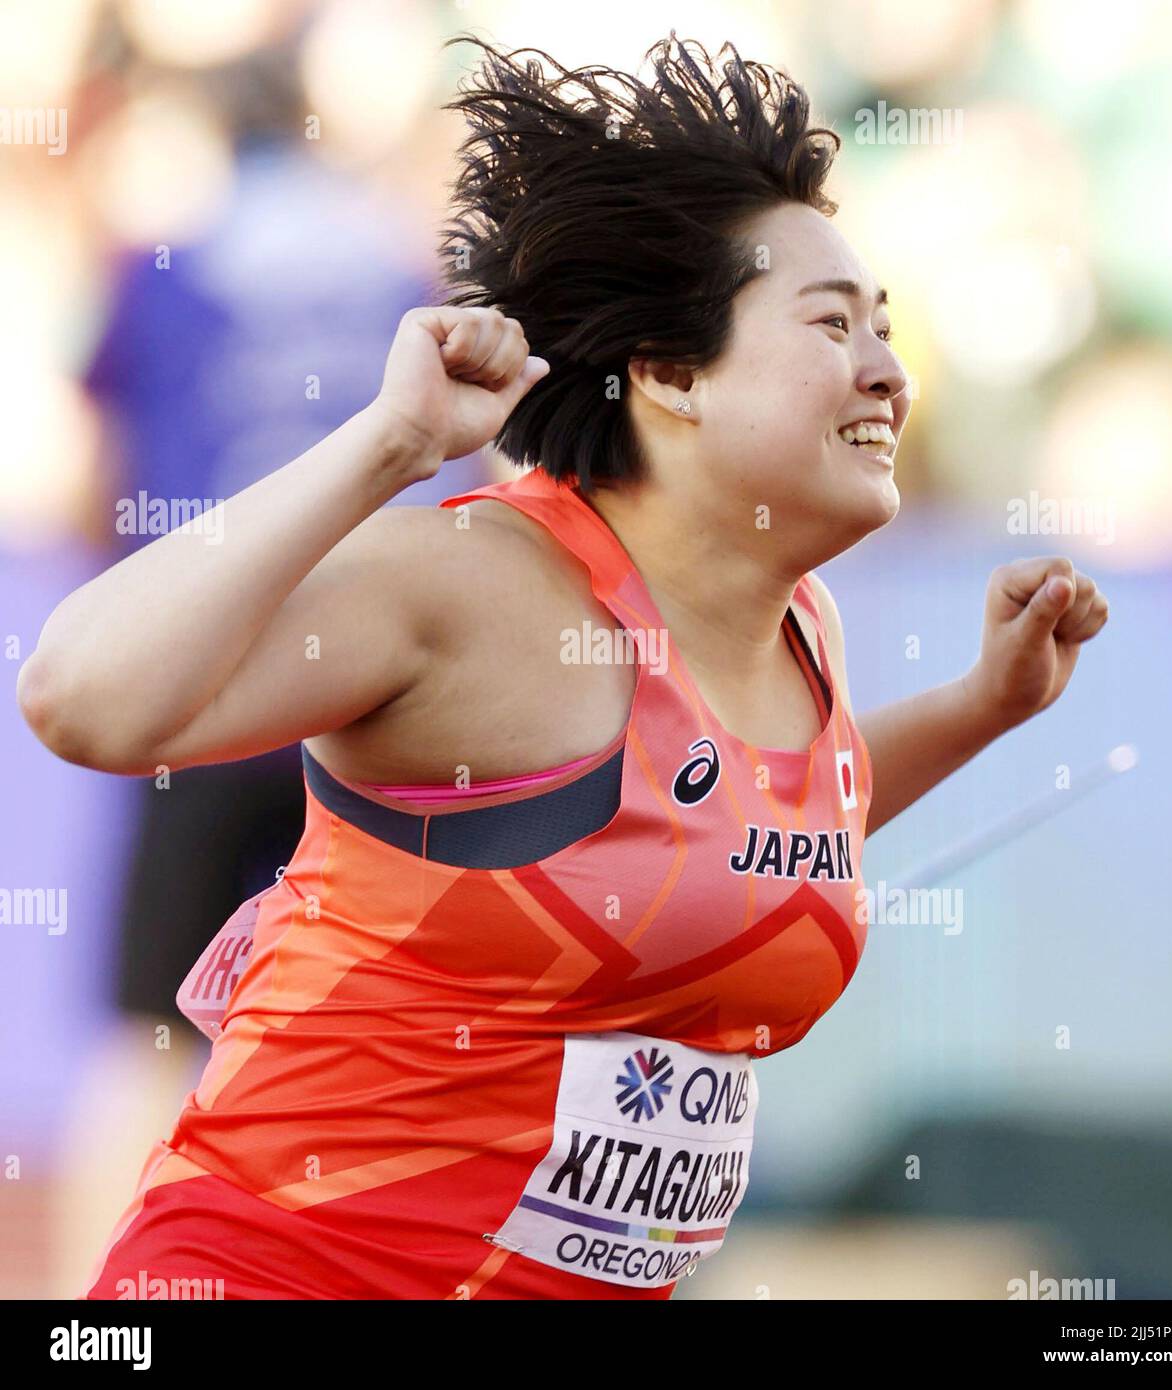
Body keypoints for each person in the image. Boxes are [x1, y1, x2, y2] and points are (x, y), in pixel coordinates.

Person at [18, 34, 1108, 1300]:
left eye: (886, 328)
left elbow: (749, 829)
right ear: (665, 373)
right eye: (831, 327)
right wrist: (391, 443)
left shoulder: (798, 627)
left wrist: (986, 706)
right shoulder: (481, 586)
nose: (886, 371)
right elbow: (74, 697)